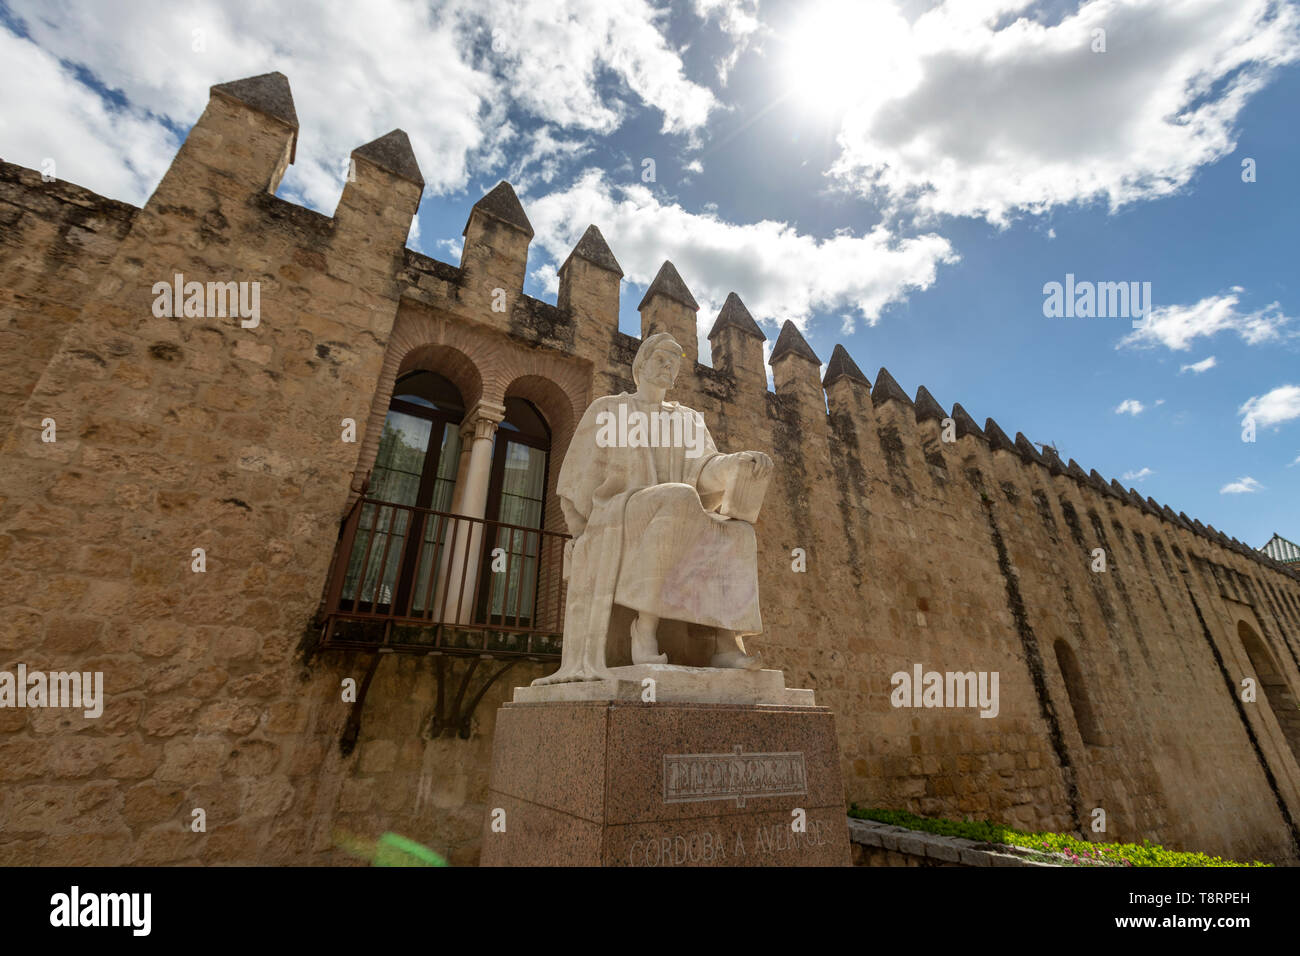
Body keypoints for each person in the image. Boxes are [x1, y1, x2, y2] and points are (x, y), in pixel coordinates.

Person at [534, 332, 774, 685]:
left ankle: (725, 643)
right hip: (619, 513)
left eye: (674, 363)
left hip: (675, 511)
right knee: (678, 496)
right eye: (661, 359)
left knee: (737, 530)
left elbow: (704, 469)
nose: (667, 366)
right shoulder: (608, 410)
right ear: (640, 365)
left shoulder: (689, 420)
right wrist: (582, 534)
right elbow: (576, 479)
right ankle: (644, 627)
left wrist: (736, 464)